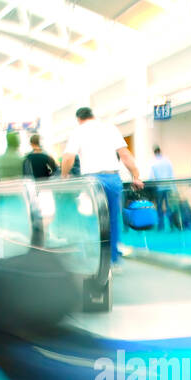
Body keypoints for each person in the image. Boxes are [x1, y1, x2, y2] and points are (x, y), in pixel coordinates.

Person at [60, 107, 142, 266]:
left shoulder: (78, 131)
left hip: (92, 181)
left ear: (79, 119)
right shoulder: (110, 128)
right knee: (112, 219)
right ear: (93, 116)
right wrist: (136, 176)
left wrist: (64, 176)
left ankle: (96, 261)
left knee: (91, 219)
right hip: (112, 178)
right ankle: (113, 260)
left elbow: (69, 156)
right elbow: (125, 155)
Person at [145, 145, 175, 229]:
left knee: (159, 207)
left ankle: (160, 226)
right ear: (160, 151)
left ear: (154, 152)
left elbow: (151, 177)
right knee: (169, 207)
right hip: (168, 187)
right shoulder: (167, 160)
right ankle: (171, 225)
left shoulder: (154, 162)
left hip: (159, 188)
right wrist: (174, 187)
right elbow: (172, 174)